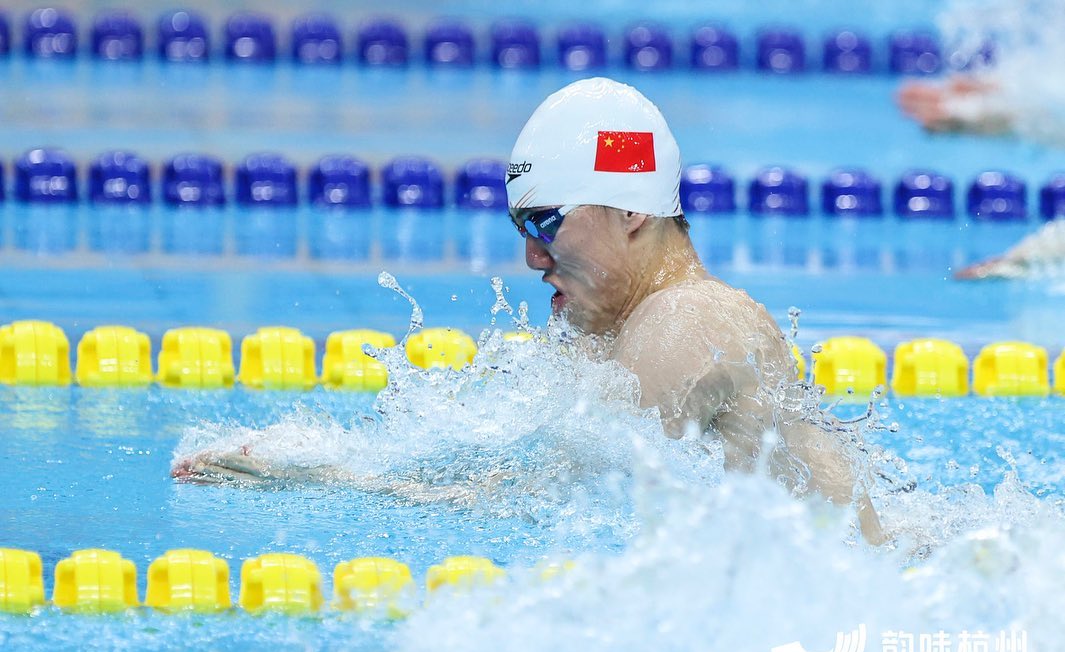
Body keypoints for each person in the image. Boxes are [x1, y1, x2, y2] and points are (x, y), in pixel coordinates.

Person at [174, 78, 885, 544]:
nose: (530, 257)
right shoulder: (628, 325)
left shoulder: (686, 323)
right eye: (522, 230)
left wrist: (328, 476)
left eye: (546, 223)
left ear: (632, 209)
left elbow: (566, 498)